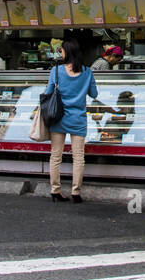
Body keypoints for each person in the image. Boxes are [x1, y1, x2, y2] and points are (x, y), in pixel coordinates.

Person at [46, 38, 109, 202]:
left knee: (55, 156)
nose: (61, 53)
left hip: (57, 118)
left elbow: (48, 92)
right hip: (78, 119)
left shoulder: (56, 71)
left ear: (66, 52)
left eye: (62, 50)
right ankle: (76, 192)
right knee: (78, 157)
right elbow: (94, 94)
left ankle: (55, 190)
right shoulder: (87, 72)